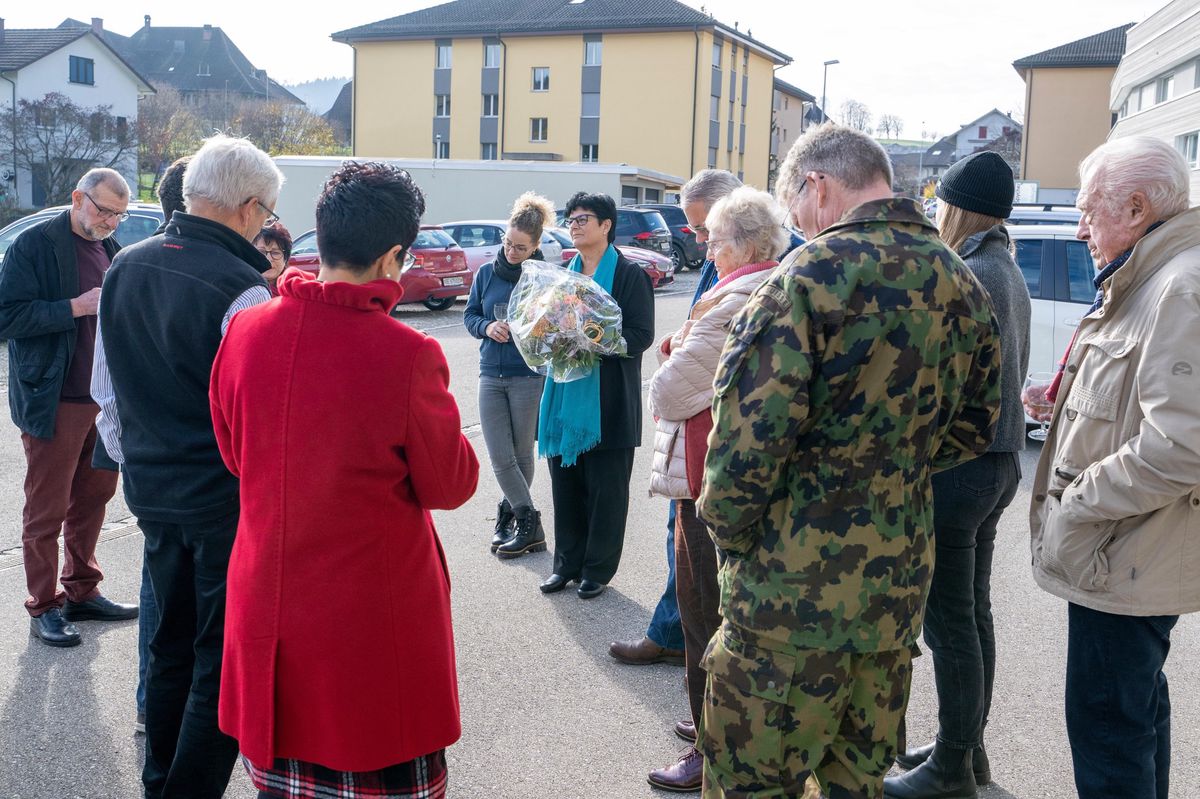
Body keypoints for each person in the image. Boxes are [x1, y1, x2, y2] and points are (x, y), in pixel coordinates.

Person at [696, 124, 1002, 798]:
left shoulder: (805, 278)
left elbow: (743, 457)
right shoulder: (959, 279)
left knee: (752, 783)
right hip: (890, 601)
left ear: (821, 186)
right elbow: (978, 426)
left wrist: (736, 540)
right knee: (854, 784)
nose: (799, 222)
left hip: (786, 604)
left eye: (796, 205)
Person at [210, 161, 479, 799]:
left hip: (269, 600)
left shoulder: (245, 330)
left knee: (281, 777)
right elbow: (449, 484)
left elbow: (232, 452)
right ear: (394, 256)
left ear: (318, 238)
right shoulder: (407, 354)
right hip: (366, 617)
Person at [92, 133, 281, 799]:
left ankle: (157, 784)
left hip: (149, 487)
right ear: (247, 208)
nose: (265, 226)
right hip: (222, 497)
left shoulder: (126, 265)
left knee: (167, 645)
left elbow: (104, 393)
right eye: (265, 213)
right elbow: (258, 419)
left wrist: (140, 463)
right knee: (219, 659)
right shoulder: (243, 289)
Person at [1024, 136, 1199, 799]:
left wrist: (1081, 498)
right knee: (1133, 716)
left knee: (1109, 729)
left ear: (1134, 206)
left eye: (1090, 208)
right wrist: (1064, 398)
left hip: (1126, 549)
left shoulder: (1177, 284)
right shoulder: (1153, 275)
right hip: (1128, 548)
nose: (1079, 226)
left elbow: (1183, 442)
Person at [887, 152, 1031, 799]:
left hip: (965, 468)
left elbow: (945, 383)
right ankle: (966, 751)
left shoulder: (973, 271)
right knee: (972, 613)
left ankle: (951, 766)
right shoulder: (1005, 267)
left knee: (949, 623)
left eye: (941, 203)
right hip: (998, 464)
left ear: (959, 208)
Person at [645, 185, 786, 792]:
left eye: (716, 238)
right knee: (721, 613)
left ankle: (712, 748)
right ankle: (714, 728)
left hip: (709, 480)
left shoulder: (735, 298)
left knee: (706, 614)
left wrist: (673, 351)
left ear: (747, 244)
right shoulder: (776, 284)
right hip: (737, 479)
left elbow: (671, 392)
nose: (706, 246)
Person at [608, 169, 742, 669]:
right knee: (683, 544)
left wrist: (676, 357)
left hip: (715, 430)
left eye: (706, 229)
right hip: (692, 425)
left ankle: (703, 662)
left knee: (706, 559)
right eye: (694, 231)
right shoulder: (723, 256)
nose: (700, 242)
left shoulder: (768, 263)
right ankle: (673, 633)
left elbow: (684, 371)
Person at [0, 168, 137, 648]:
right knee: (46, 511)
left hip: (102, 401)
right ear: (77, 198)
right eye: (104, 211)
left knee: (93, 502)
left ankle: (81, 590)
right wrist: (74, 307)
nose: (112, 222)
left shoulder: (111, 250)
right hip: (53, 400)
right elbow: (6, 316)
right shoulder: (34, 245)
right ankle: (44, 606)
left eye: (119, 214)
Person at [538, 192, 654, 600]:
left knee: (606, 489)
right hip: (565, 398)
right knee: (565, 484)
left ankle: (597, 569)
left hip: (609, 401)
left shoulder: (629, 276)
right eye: (571, 218)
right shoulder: (561, 277)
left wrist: (595, 338)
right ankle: (566, 564)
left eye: (584, 218)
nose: (575, 224)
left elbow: (641, 336)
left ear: (606, 225)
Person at [463, 192, 552, 558]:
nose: (511, 251)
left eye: (520, 247)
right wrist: (487, 327)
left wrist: (529, 328)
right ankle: (529, 521)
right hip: (491, 373)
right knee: (500, 456)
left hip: (528, 375)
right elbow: (470, 316)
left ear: (534, 247)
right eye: (508, 243)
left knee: (521, 453)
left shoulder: (541, 277)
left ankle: (508, 518)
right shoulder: (486, 273)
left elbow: (553, 326)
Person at [253, 220, 293, 293]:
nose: (268, 259)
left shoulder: (295, 290)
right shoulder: (243, 289)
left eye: (275, 253)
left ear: (286, 259)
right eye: (262, 252)